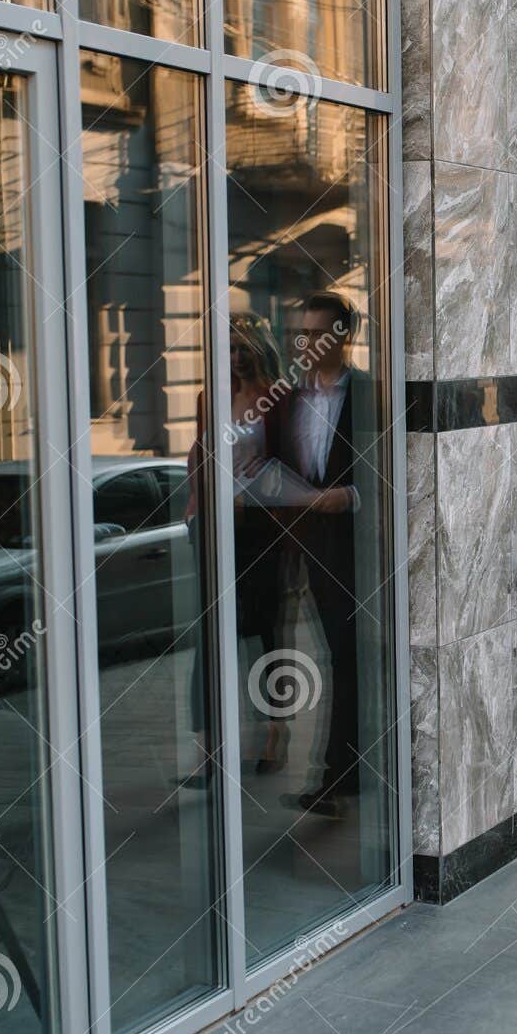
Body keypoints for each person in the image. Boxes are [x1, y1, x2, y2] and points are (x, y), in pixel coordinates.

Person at [270, 291, 365, 821]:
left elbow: (394, 473)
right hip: (293, 545)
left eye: (318, 333)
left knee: (346, 660)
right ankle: (340, 772)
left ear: (344, 336)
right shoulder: (287, 398)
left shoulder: (371, 395)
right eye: (301, 333)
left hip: (351, 550)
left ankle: (338, 775)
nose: (306, 343)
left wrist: (348, 496)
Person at [186, 311, 294, 775]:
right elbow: (199, 453)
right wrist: (197, 504)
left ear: (258, 348)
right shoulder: (209, 397)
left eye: (242, 347)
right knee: (211, 633)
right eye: (226, 348)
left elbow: (292, 460)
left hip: (262, 527)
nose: (234, 357)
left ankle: (275, 733)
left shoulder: (278, 396)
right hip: (212, 526)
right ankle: (210, 749)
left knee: (267, 630)